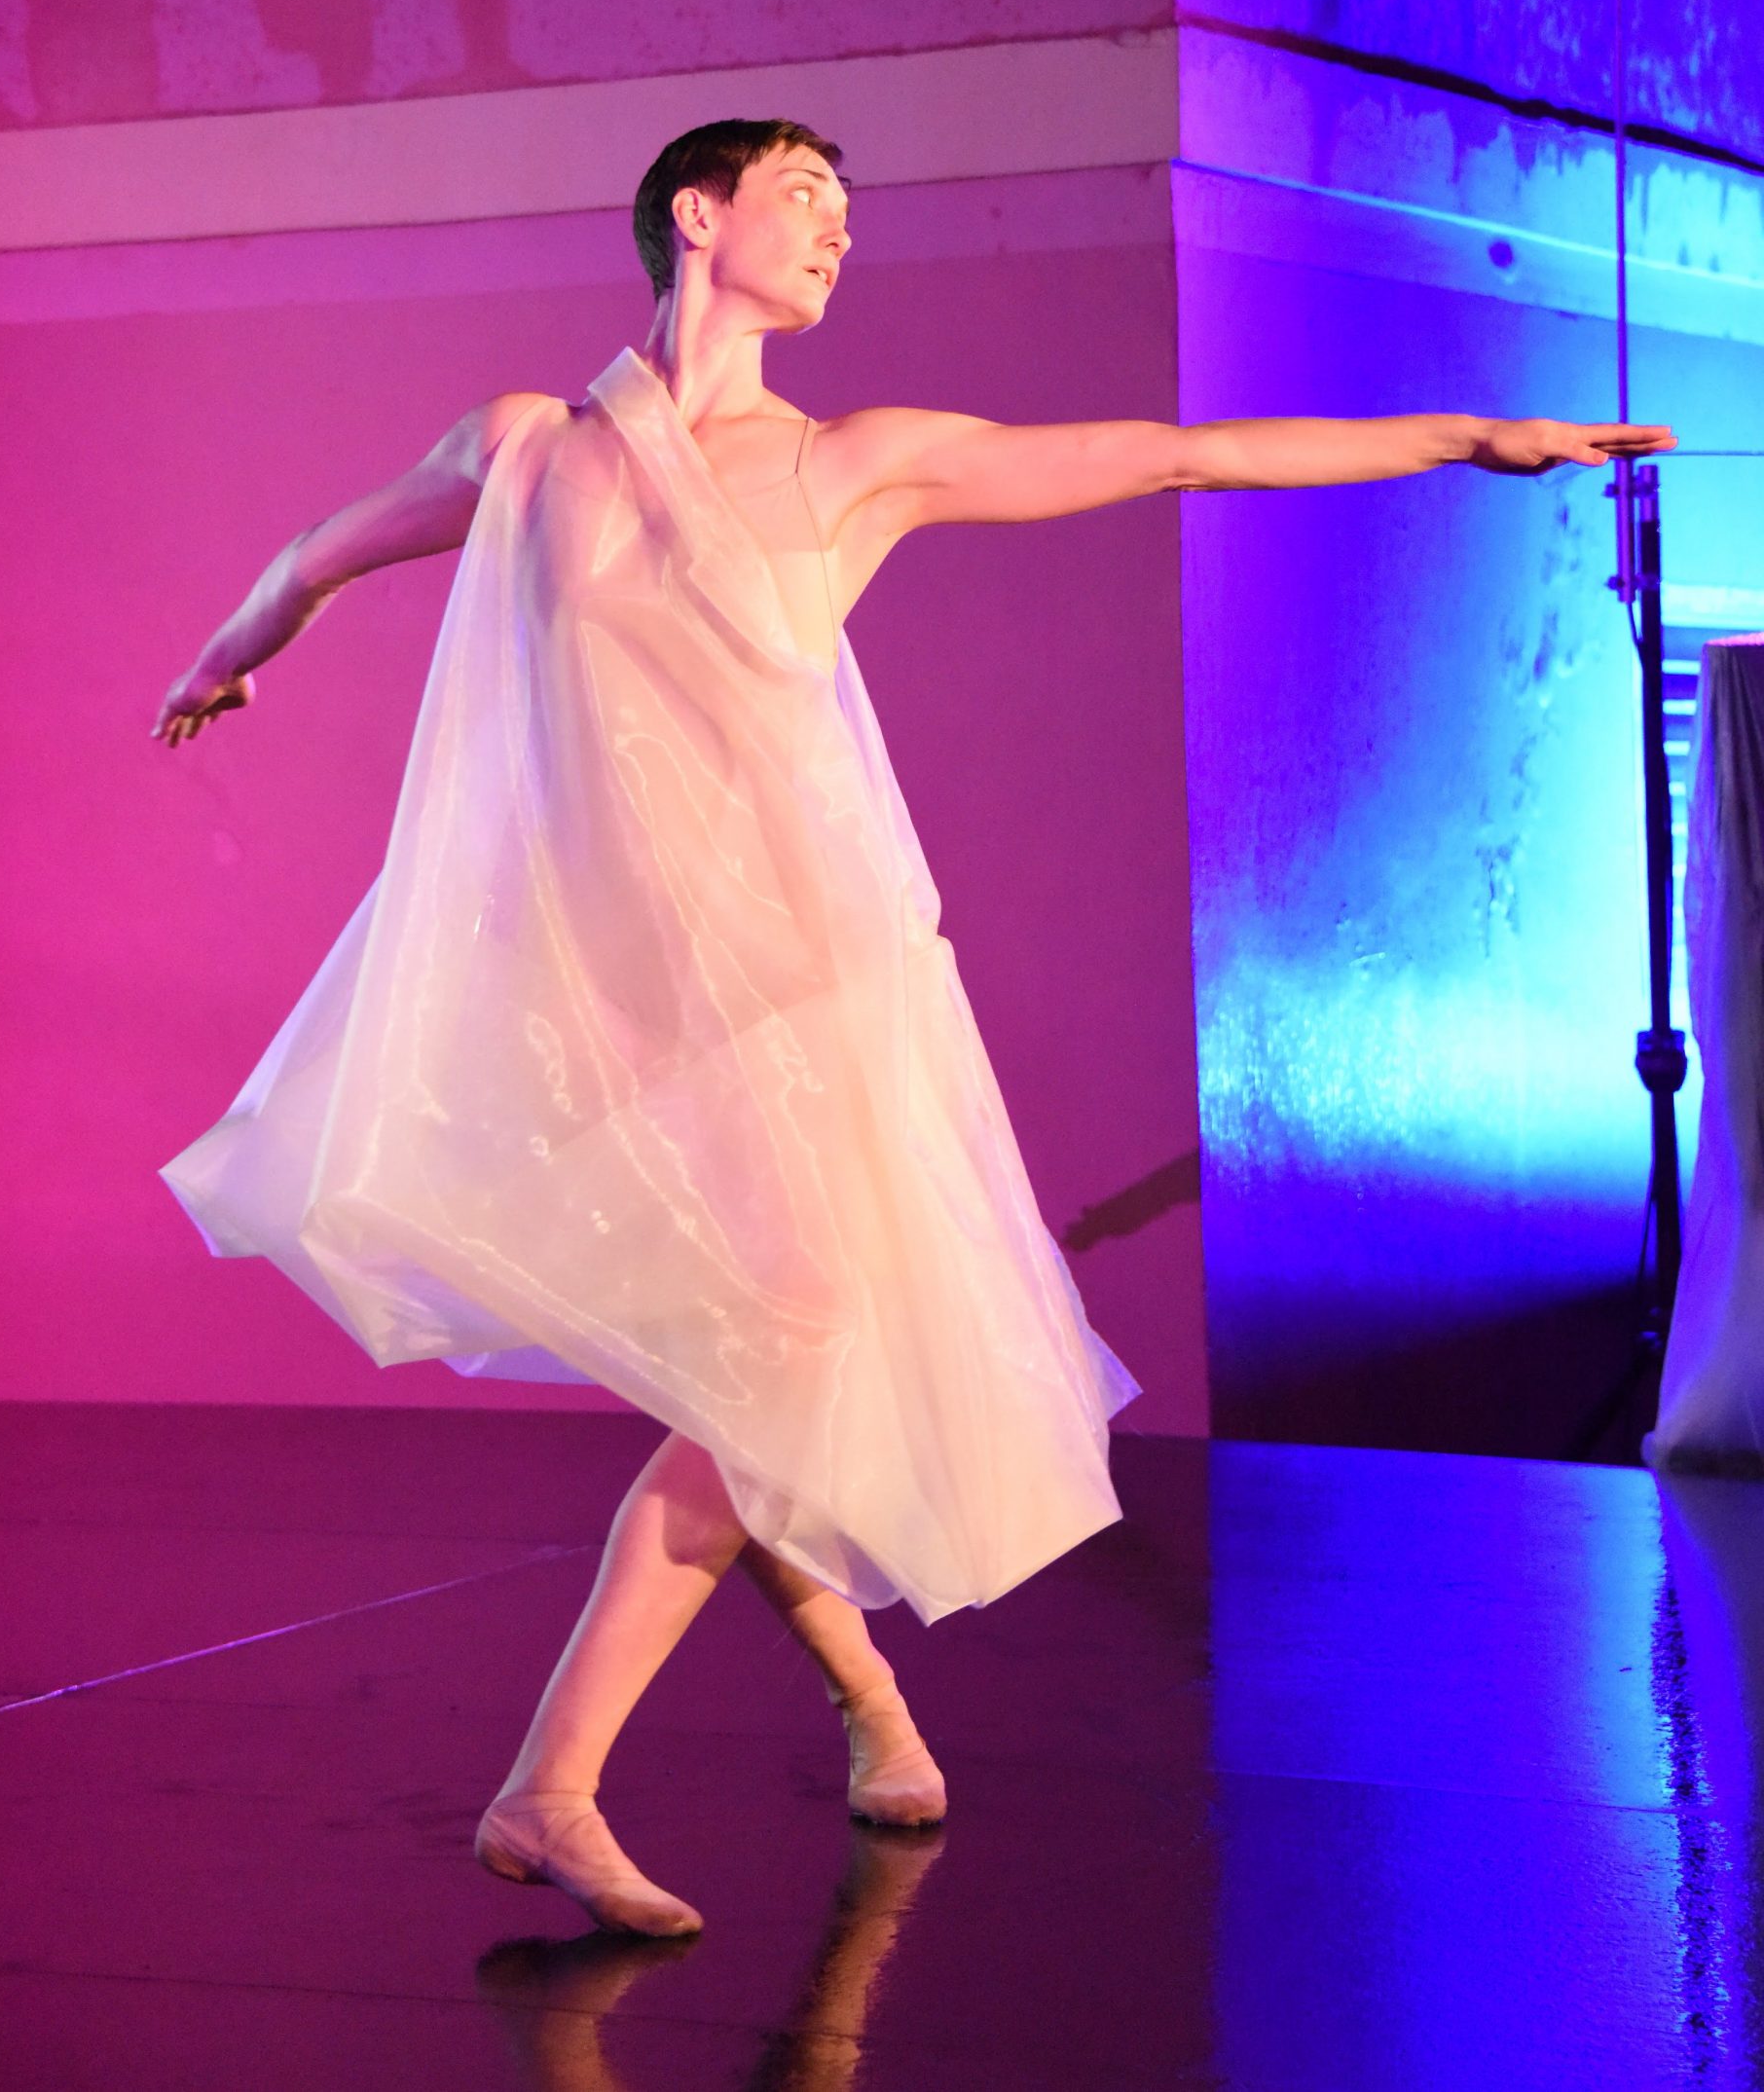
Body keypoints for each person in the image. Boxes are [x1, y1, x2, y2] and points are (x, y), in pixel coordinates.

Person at [154, 116, 1673, 1939]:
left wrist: (1464, 439)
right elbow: (330, 547)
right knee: (766, 1355)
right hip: (614, 1005)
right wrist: (235, 644)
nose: (838, 239)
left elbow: (1174, 455)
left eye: (852, 218)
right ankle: (740, 1742)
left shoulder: (852, 466)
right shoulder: (528, 448)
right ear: (699, 216)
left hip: (801, 999)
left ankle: (604, 1772)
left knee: (774, 1346)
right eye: (809, 201)